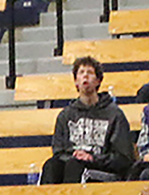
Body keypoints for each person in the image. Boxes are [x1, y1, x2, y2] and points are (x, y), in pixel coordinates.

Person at [46, 56, 136, 184]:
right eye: (81, 73)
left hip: (103, 170)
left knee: (75, 166)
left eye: (90, 73)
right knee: (52, 165)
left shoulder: (114, 115)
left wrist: (92, 158)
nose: (85, 76)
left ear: (98, 81)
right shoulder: (65, 116)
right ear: (76, 81)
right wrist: (76, 155)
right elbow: (58, 152)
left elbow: (123, 158)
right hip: (72, 164)